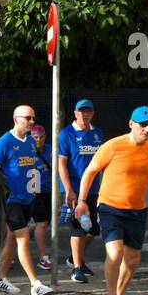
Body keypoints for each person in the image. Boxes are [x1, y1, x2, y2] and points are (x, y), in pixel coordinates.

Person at [76, 106, 148, 295]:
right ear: (131, 124)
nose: (147, 129)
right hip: (110, 207)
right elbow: (90, 172)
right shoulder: (113, 146)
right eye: (143, 124)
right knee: (114, 253)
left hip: (137, 209)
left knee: (132, 260)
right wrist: (82, 201)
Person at [0, 106, 54, 295]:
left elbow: (31, 169)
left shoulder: (31, 142)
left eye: (33, 118)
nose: (32, 121)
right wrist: (1, 195)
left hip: (28, 198)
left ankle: (0, 280)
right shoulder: (4, 142)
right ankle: (36, 284)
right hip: (11, 201)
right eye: (28, 118)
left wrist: (35, 193)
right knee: (23, 238)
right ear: (16, 119)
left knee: (11, 241)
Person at [56, 98, 105, 283]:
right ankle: (77, 268)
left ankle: (75, 258)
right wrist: (68, 189)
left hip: (93, 189)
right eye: (81, 111)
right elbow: (62, 164)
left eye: (88, 111)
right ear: (75, 113)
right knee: (78, 228)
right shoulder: (66, 134)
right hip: (75, 190)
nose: (85, 115)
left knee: (93, 229)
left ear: (92, 113)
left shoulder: (98, 133)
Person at [29, 123, 53, 270]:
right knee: (42, 223)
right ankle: (43, 257)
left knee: (44, 224)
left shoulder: (51, 150)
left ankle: (30, 233)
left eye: (41, 137)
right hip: (34, 191)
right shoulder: (27, 151)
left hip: (48, 191)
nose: (38, 140)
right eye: (35, 137)